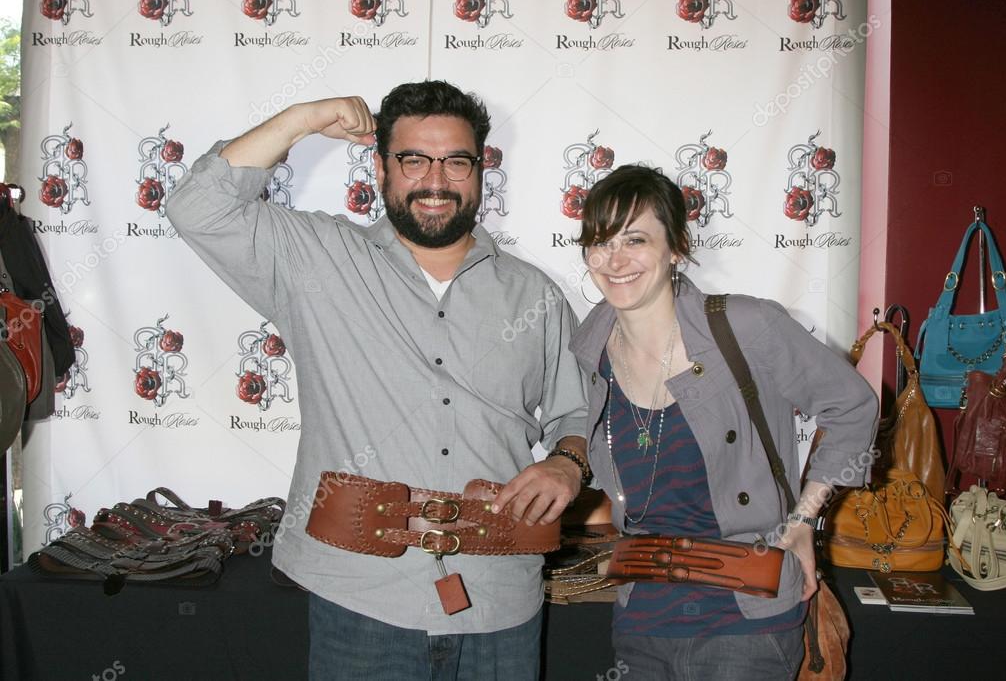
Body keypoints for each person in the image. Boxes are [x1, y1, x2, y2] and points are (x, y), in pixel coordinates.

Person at [166, 81, 591, 681]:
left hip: (501, 597)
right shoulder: (314, 259)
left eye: (456, 161)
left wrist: (568, 461)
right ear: (381, 166)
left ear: (480, 169)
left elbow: (577, 413)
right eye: (413, 159)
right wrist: (301, 118)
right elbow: (196, 206)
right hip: (360, 602)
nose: (436, 180)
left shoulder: (535, 295)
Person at [567, 165, 878, 680]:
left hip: (745, 622)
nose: (614, 259)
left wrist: (804, 520)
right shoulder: (588, 350)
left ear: (676, 249)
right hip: (641, 620)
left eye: (636, 239)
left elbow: (852, 404)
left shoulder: (745, 325)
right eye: (599, 242)